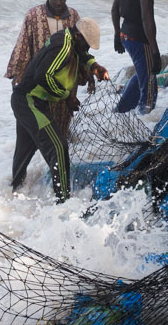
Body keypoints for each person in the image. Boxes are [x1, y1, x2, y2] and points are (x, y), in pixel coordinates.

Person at [11, 19, 109, 200]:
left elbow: (81, 54)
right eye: (86, 44)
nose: (87, 49)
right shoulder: (62, 46)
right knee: (59, 146)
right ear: (78, 36)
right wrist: (67, 97)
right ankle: (63, 200)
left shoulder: (70, 40)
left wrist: (95, 67)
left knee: (26, 149)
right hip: (28, 101)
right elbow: (43, 75)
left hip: (29, 101)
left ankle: (15, 191)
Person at [6, 0, 80, 137]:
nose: (59, 2)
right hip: (39, 74)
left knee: (62, 115)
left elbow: (79, 47)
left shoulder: (73, 16)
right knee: (40, 119)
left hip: (63, 76)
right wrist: (18, 72)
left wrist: (85, 73)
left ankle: (61, 143)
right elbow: (23, 43)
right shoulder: (33, 15)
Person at [112, 0, 162, 114]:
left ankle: (120, 110)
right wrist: (155, 51)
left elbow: (114, 8)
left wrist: (117, 35)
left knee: (142, 72)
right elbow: (146, 17)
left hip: (126, 35)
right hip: (139, 38)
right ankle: (145, 118)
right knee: (149, 82)